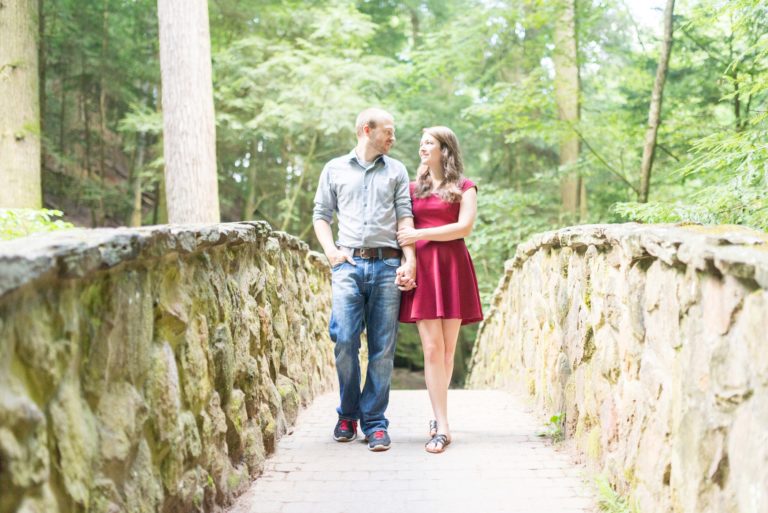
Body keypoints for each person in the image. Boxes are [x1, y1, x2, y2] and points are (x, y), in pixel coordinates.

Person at [313, 107, 416, 452]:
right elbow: (321, 216)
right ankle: (348, 413)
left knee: (382, 349)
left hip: (388, 266)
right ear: (366, 130)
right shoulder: (334, 169)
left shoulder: (397, 170)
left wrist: (409, 261)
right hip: (348, 264)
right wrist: (331, 252)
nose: (393, 137)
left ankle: (374, 423)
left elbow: (405, 220)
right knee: (344, 339)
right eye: (388, 131)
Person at [396, 126, 483, 454]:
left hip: (453, 267)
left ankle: (438, 416)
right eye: (421, 143)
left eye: (429, 143)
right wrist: (410, 259)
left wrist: (420, 235)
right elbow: (403, 227)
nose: (422, 148)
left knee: (447, 351)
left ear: (444, 149)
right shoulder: (411, 188)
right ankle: (442, 426)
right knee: (432, 349)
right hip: (425, 268)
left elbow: (465, 227)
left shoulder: (465, 186)